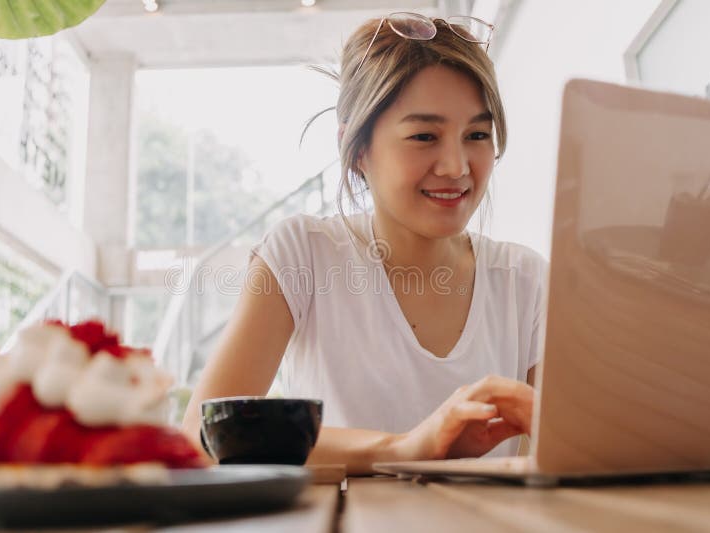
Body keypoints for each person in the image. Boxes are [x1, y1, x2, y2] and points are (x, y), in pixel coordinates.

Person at [181, 12, 547, 475]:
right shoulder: (303, 253)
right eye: (424, 136)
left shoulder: (526, 279)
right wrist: (404, 448)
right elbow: (201, 435)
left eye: (477, 134)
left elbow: (573, 451)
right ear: (357, 150)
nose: (457, 166)